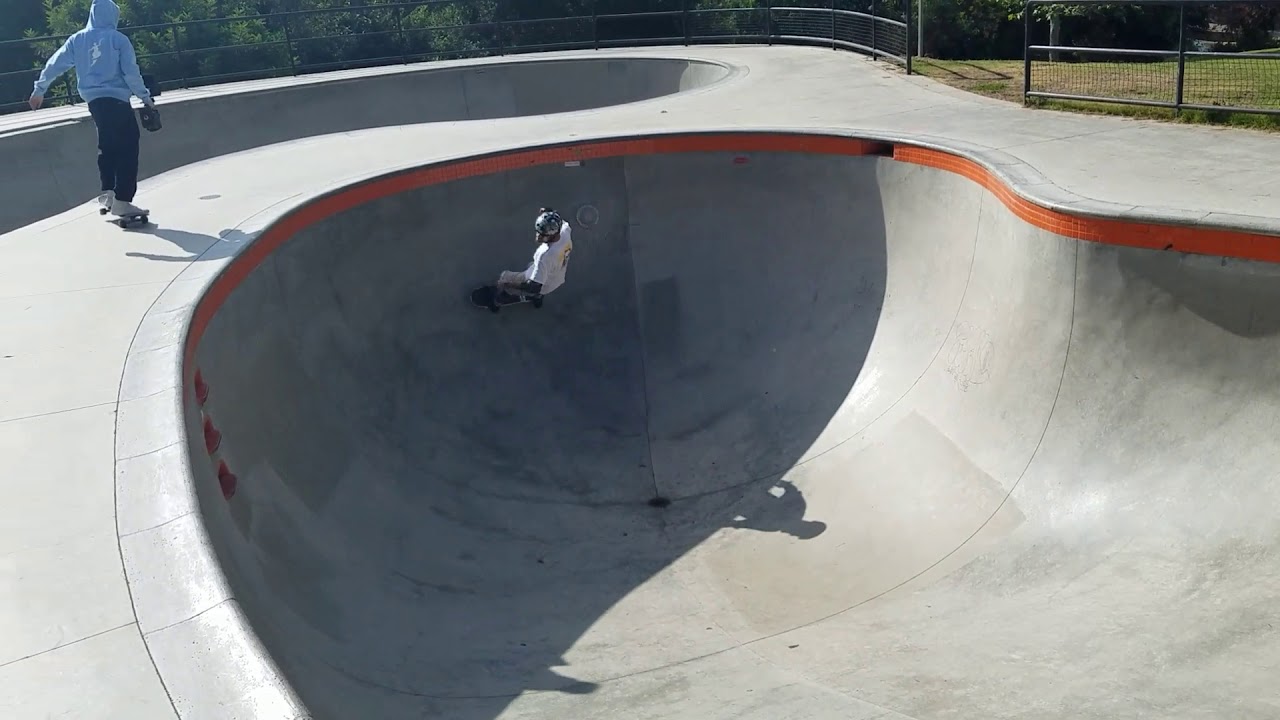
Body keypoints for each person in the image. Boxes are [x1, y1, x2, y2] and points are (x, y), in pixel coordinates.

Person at [28, 0, 155, 218]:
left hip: (95, 102)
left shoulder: (77, 40)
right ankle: (123, 200)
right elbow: (131, 73)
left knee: (107, 146)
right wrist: (146, 97)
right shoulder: (118, 40)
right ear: (113, 16)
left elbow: (55, 63)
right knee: (127, 146)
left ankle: (107, 194)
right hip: (117, 100)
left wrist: (39, 89)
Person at [493, 208, 574, 309]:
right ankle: (538, 298)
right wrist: (548, 212)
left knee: (505, 277)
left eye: (543, 234)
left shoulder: (545, 256)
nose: (538, 236)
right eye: (538, 232)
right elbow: (557, 218)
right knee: (533, 268)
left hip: (542, 285)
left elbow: (533, 287)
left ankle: (500, 301)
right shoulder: (565, 230)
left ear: (553, 235)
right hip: (556, 277)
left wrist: (508, 284)